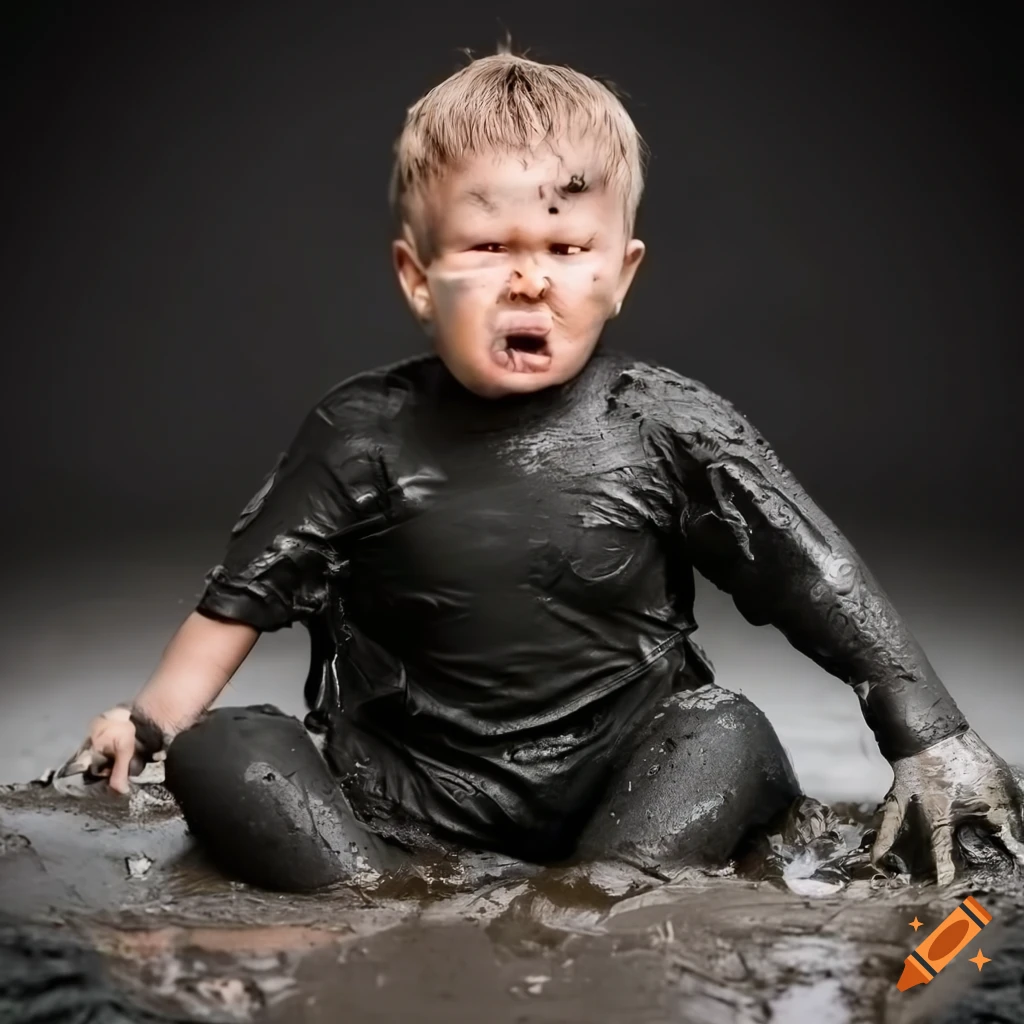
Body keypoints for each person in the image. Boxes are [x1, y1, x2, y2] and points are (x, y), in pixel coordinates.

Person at [68, 51, 1024, 893]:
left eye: (568, 249)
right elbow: (242, 597)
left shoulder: (664, 422)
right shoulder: (358, 432)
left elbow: (811, 571)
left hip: (622, 778)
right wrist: (148, 727)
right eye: (489, 249)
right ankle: (373, 894)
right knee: (226, 749)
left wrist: (930, 733)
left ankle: (605, 884)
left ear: (620, 272)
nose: (531, 279)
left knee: (723, 730)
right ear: (416, 275)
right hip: (404, 792)